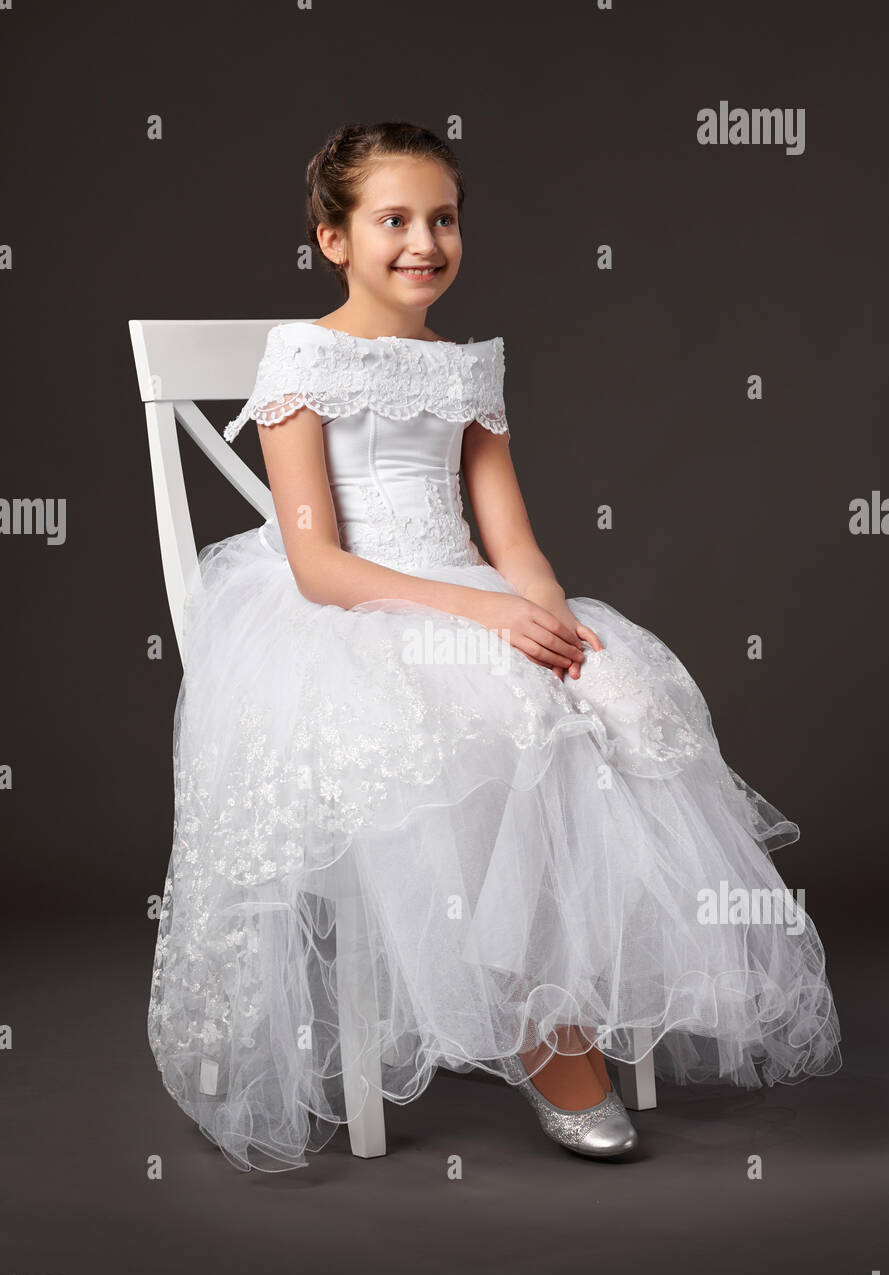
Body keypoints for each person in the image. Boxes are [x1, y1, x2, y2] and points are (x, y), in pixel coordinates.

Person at [148, 120, 842, 1173]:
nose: (423, 241)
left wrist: (552, 618)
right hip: (344, 610)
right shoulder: (303, 356)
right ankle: (547, 1035)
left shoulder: (466, 369)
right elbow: (319, 566)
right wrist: (482, 619)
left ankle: (565, 988)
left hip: (463, 594)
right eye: (392, 219)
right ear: (333, 239)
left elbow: (510, 540)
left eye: (443, 218)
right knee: (497, 721)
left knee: (614, 699)